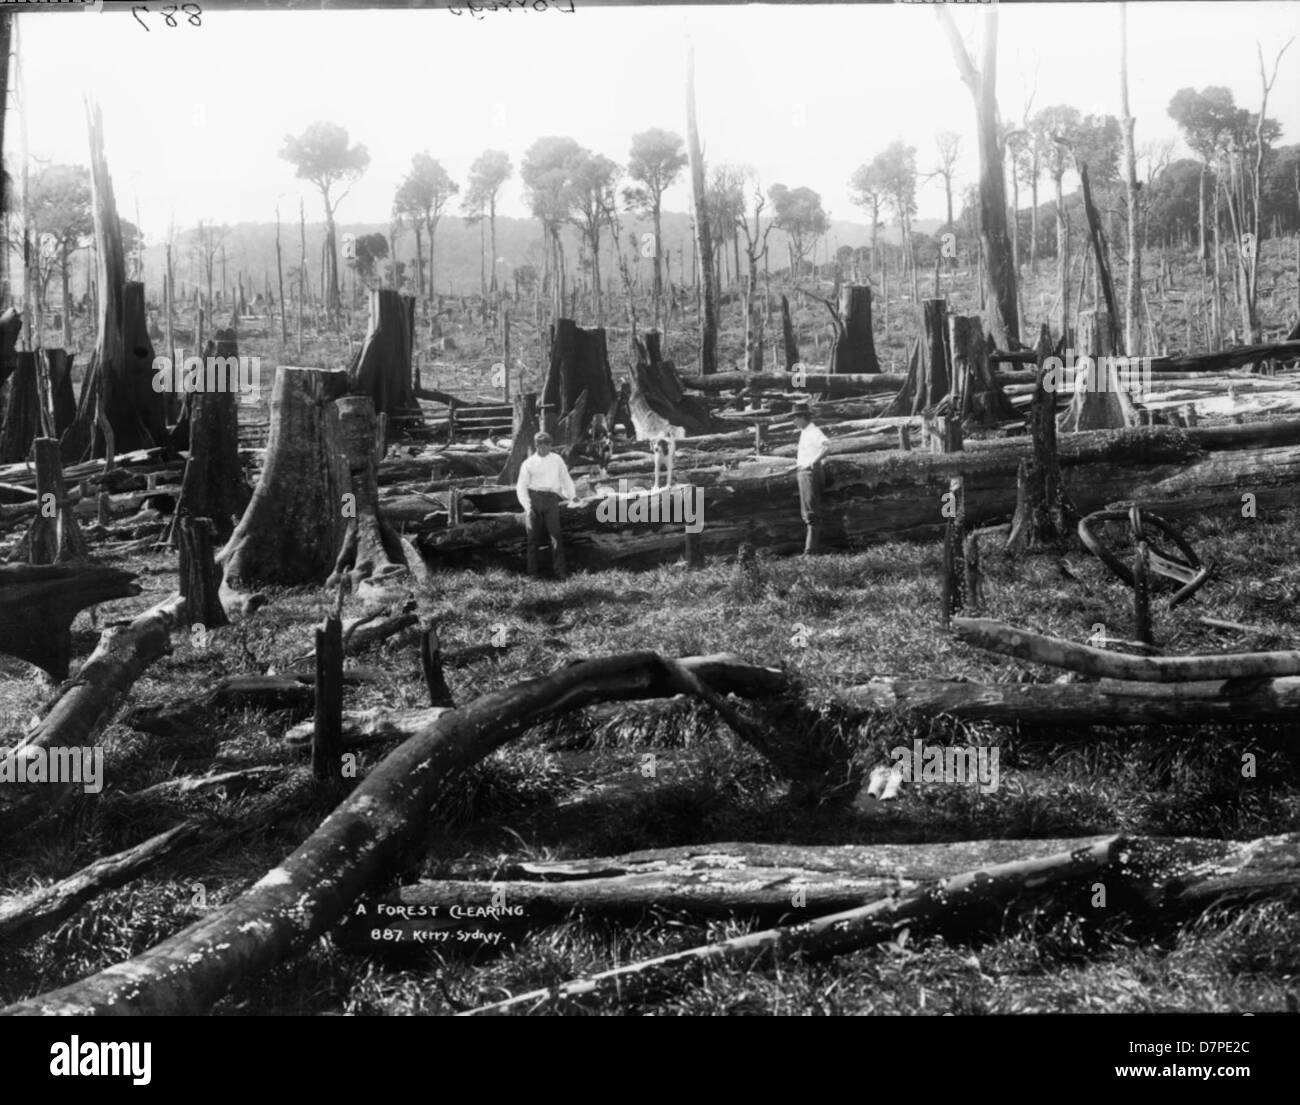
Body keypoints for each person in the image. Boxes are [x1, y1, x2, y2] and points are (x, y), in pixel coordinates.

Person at [516, 431, 577, 578]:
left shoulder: (557, 460)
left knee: (555, 536)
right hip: (534, 498)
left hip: (551, 500)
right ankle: (532, 573)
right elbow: (521, 487)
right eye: (540, 444)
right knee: (532, 538)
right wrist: (528, 507)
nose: (543, 447)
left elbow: (565, 478)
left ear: (551, 445)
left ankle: (560, 571)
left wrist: (572, 496)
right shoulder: (528, 463)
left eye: (547, 444)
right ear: (536, 445)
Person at [793, 405, 829, 554]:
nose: (793, 421)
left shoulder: (813, 431)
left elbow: (827, 446)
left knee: (811, 514)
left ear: (802, 417)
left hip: (809, 473)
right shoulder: (805, 432)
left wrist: (814, 461)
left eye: (795, 417)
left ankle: (811, 551)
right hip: (803, 472)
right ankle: (810, 549)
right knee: (807, 512)